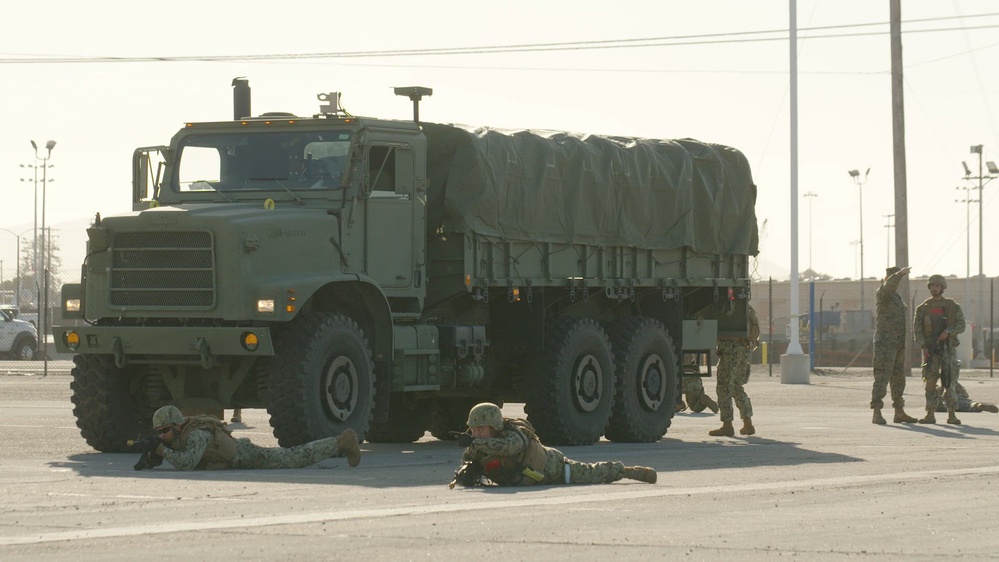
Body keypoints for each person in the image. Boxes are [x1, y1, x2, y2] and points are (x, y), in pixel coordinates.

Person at [451, 403, 657, 487]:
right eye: (473, 430)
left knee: (592, 474)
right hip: (531, 479)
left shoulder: (514, 433)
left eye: (481, 429)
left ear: (494, 426)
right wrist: (467, 473)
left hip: (555, 468)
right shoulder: (477, 447)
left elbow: (510, 447)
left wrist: (476, 443)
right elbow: (469, 464)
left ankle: (627, 471)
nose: (476, 434)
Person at [140, 405, 362, 470]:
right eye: (159, 432)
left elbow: (187, 463)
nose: (162, 435)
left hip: (246, 456)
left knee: (294, 458)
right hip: (238, 454)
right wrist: (151, 457)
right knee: (291, 456)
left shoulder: (197, 434)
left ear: (178, 425)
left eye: (165, 430)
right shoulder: (178, 435)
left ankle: (341, 442)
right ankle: (340, 443)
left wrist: (162, 451)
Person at [912, 274, 966, 425]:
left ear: (942, 288)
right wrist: (924, 346)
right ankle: (930, 413)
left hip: (948, 350)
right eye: (932, 286)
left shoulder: (952, 306)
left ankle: (951, 414)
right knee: (930, 382)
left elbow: (961, 325)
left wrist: (948, 331)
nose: (934, 288)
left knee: (949, 381)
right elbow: (917, 330)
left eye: (937, 286)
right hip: (931, 351)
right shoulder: (923, 308)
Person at [870, 266, 918, 424]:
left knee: (898, 378)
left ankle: (899, 411)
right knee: (882, 377)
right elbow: (889, 285)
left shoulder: (896, 297)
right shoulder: (883, 293)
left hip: (898, 343)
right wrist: (899, 274)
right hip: (885, 344)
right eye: (893, 278)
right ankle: (877, 411)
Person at [709, 304, 760, 437]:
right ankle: (747, 423)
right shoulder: (747, 308)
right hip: (745, 349)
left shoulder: (730, 307)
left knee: (723, 386)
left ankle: (727, 425)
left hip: (731, 348)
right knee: (736, 386)